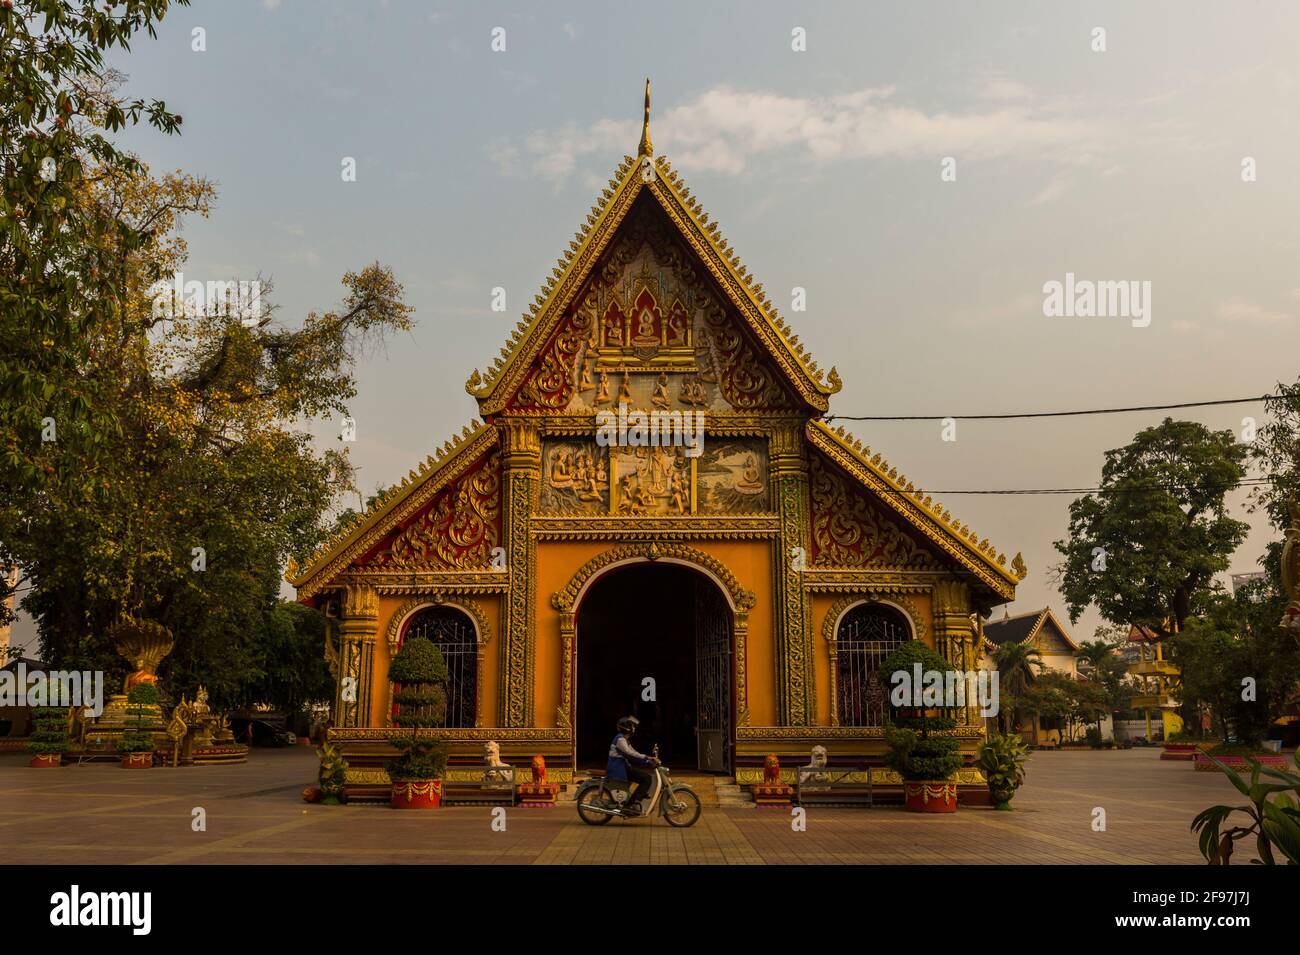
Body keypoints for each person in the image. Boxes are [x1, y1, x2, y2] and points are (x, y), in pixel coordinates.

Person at [607, 715, 658, 814]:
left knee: (645, 778)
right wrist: (646, 758)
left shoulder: (624, 739)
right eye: (631, 726)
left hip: (623, 767)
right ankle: (633, 804)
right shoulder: (620, 740)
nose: (633, 728)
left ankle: (632, 802)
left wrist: (647, 760)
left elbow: (634, 752)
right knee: (646, 779)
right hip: (618, 769)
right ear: (627, 728)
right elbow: (630, 754)